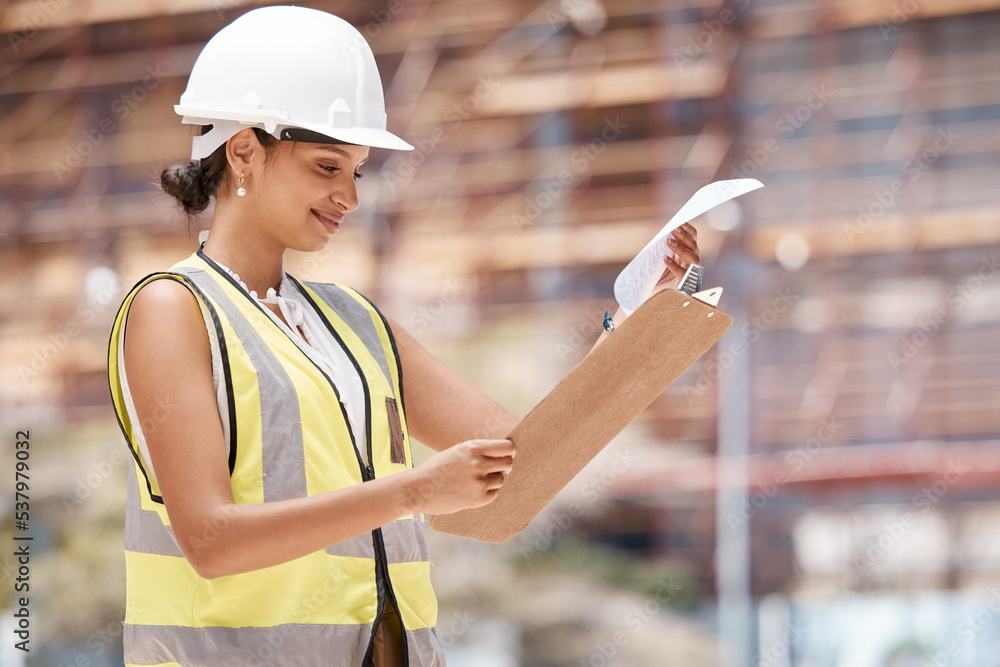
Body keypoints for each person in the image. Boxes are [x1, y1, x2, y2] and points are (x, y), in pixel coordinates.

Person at [107, 6, 700, 667]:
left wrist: (631, 323)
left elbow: (523, 461)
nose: (350, 198)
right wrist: (415, 490)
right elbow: (210, 539)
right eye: (328, 167)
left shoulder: (356, 324)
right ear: (244, 150)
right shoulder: (172, 308)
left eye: (356, 172)